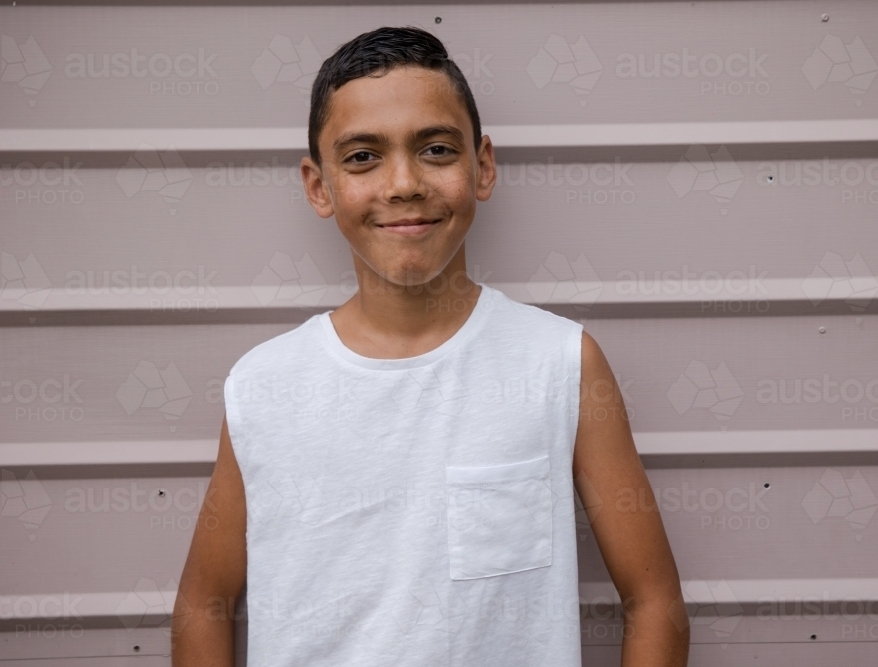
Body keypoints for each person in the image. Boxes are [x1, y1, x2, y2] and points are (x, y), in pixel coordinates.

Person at [172, 26, 688, 667]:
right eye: (363, 157)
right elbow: (203, 604)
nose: (404, 184)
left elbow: (654, 603)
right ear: (319, 186)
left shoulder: (559, 363)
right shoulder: (264, 384)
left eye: (436, 149)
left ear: (483, 166)